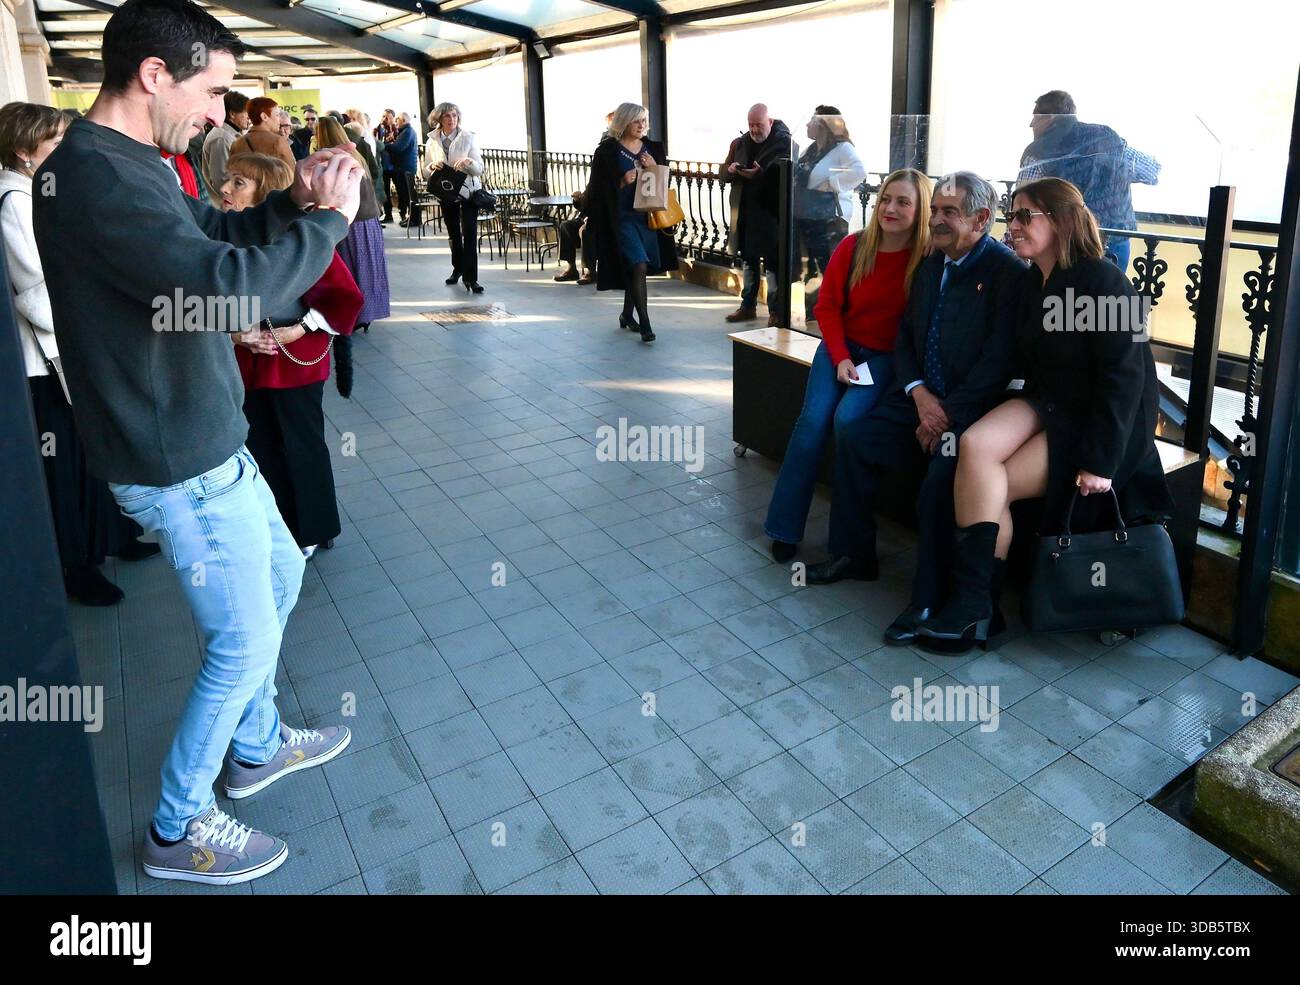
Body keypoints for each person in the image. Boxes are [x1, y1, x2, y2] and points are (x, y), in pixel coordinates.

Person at [33, 0, 362, 885]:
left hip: (209, 437)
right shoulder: (95, 178)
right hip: (174, 458)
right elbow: (219, 284)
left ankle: (253, 747)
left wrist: (295, 200)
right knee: (244, 645)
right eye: (212, 90)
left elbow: (212, 235)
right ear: (153, 75)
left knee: (286, 576)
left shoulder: (138, 163)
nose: (221, 113)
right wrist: (328, 224)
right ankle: (177, 828)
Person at [915, 177, 1175, 652]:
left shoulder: (1104, 279)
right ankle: (977, 609)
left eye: (1022, 216)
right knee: (973, 446)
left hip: (1097, 417)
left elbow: (1125, 380)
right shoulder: (1034, 279)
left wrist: (1100, 461)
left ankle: (977, 608)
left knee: (998, 483)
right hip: (1050, 401)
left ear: (1061, 221)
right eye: (1009, 216)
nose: (1010, 226)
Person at [808, 172, 1027, 646]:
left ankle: (925, 599)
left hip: (971, 415)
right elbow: (906, 337)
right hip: (921, 400)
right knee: (856, 435)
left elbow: (998, 362)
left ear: (982, 219)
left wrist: (945, 414)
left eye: (950, 212)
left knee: (936, 485)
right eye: (936, 211)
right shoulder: (933, 263)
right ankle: (853, 553)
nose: (938, 220)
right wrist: (920, 396)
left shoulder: (1008, 274)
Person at [0, 101, 157, 607]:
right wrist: (100, 313)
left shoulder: (34, 192)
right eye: (55, 144)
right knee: (66, 463)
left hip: (65, 349)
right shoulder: (14, 202)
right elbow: (35, 292)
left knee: (91, 451)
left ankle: (112, 536)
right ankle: (77, 564)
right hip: (45, 361)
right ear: (25, 152)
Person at [763, 168, 931, 562]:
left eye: (903, 201)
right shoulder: (855, 246)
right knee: (811, 425)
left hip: (886, 359)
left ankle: (848, 536)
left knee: (847, 420)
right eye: (886, 198)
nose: (889, 208)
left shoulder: (926, 260)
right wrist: (840, 358)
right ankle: (783, 527)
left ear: (920, 208)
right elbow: (827, 307)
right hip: (841, 348)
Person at [221, 152, 362, 556]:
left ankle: (312, 528)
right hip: (245, 357)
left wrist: (296, 329)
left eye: (239, 183)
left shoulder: (298, 237)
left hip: (293, 354)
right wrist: (234, 334)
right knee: (259, 443)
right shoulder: (221, 237)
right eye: (228, 180)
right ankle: (277, 525)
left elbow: (344, 298)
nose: (226, 190)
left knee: (300, 444)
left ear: (265, 192)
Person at [1017, 90, 1160, 273]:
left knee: (1063, 298)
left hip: (1068, 244)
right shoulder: (1108, 138)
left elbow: (1023, 207)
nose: (1031, 124)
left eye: (1036, 118)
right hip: (1116, 241)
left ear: (1050, 117)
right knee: (1105, 297)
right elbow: (1151, 172)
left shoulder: (1037, 153)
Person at [585, 102, 680, 344]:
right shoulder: (607, 151)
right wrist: (621, 182)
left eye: (644, 120)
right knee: (638, 265)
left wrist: (654, 167)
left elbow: (663, 182)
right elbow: (596, 189)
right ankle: (646, 323)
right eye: (637, 120)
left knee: (638, 267)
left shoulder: (652, 149)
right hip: (621, 218)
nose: (642, 125)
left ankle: (627, 314)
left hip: (646, 216)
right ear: (624, 122)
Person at [318, 116, 390, 350]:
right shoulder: (356, 153)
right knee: (369, 269)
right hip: (369, 219)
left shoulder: (333, 158)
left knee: (351, 270)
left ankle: (354, 315)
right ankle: (367, 313)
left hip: (351, 221)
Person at [722, 104, 793, 326]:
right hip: (745, 211)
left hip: (772, 213)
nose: (754, 130)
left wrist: (761, 174)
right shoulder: (740, 143)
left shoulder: (784, 143)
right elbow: (722, 174)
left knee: (773, 264)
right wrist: (731, 170)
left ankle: (776, 311)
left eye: (758, 125)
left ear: (770, 122)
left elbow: (788, 176)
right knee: (749, 260)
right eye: (750, 125)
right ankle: (747, 306)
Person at [796, 105, 867, 314]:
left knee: (829, 268)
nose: (808, 124)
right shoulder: (810, 150)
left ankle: (836, 313)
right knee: (811, 268)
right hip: (809, 215)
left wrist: (831, 183)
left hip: (829, 218)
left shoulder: (842, 149)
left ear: (824, 125)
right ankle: (814, 313)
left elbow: (859, 171)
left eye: (813, 120)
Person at [422, 102, 485, 293]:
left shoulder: (469, 137)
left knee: (470, 235)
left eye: (455, 116)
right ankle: (457, 269)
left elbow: (480, 169)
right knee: (454, 235)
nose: (452, 120)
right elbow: (424, 172)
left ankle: (471, 278)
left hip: (468, 192)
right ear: (439, 119)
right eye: (447, 116)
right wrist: (432, 167)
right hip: (446, 193)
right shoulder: (432, 140)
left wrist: (469, 162)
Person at [201, 89, 247, 206]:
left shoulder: (232, 135)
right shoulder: (222, 138)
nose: (248, 117)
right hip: (225, 205)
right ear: (232, 114)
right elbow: (221, 179)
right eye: (245, 112)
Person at [229, 95, 296, 172]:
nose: (279, 120)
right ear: (264, 117)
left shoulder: (237, 144)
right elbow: (293, 174)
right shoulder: (278, 142)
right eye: (277, 115)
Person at [553, 189, 593, 284]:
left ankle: (591, 272)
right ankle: (572, 269)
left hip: (601, 221)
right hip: (585, 219)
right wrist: (577, 199)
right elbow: (584, 207)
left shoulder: (611, 181)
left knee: (585, 230)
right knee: (565, 226)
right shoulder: (593, 182)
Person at [387, 111, 418, 227]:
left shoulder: (407, 132)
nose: (395, 122)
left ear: (404, 121)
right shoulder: (406, 131)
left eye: (397, 120)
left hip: (405, 168)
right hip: (405, 167)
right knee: (406, 194)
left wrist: (385, 145)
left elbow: (398, 148)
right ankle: (411, 217)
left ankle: (414, 219)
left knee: (408, 195)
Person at [375, 108, 397, 223]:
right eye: (383, 116)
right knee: (385, 191)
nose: (385, 119)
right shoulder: (378, 129)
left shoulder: (397, 129)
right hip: (383, 165)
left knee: (401, 190)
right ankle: (388, 215)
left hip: (395, 165)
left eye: (387, 117)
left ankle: (405, 215)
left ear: (393, 118)